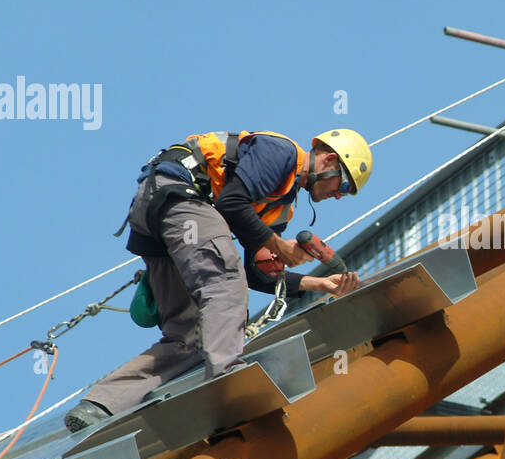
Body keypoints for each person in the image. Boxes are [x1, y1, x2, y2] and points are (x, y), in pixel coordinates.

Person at [64, 129, 370, 432]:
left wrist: (316, 283)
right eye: (343, 184)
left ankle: (101, 403)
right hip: (177, 194)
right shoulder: (282, 154)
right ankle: (228, 377)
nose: (339, 195)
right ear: (329, 159)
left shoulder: (280, 206)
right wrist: (279, 245)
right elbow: (232, 204)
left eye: (347, 193)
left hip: (160, 218)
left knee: (190, 338)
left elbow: (253, 273)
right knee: (223, 281)